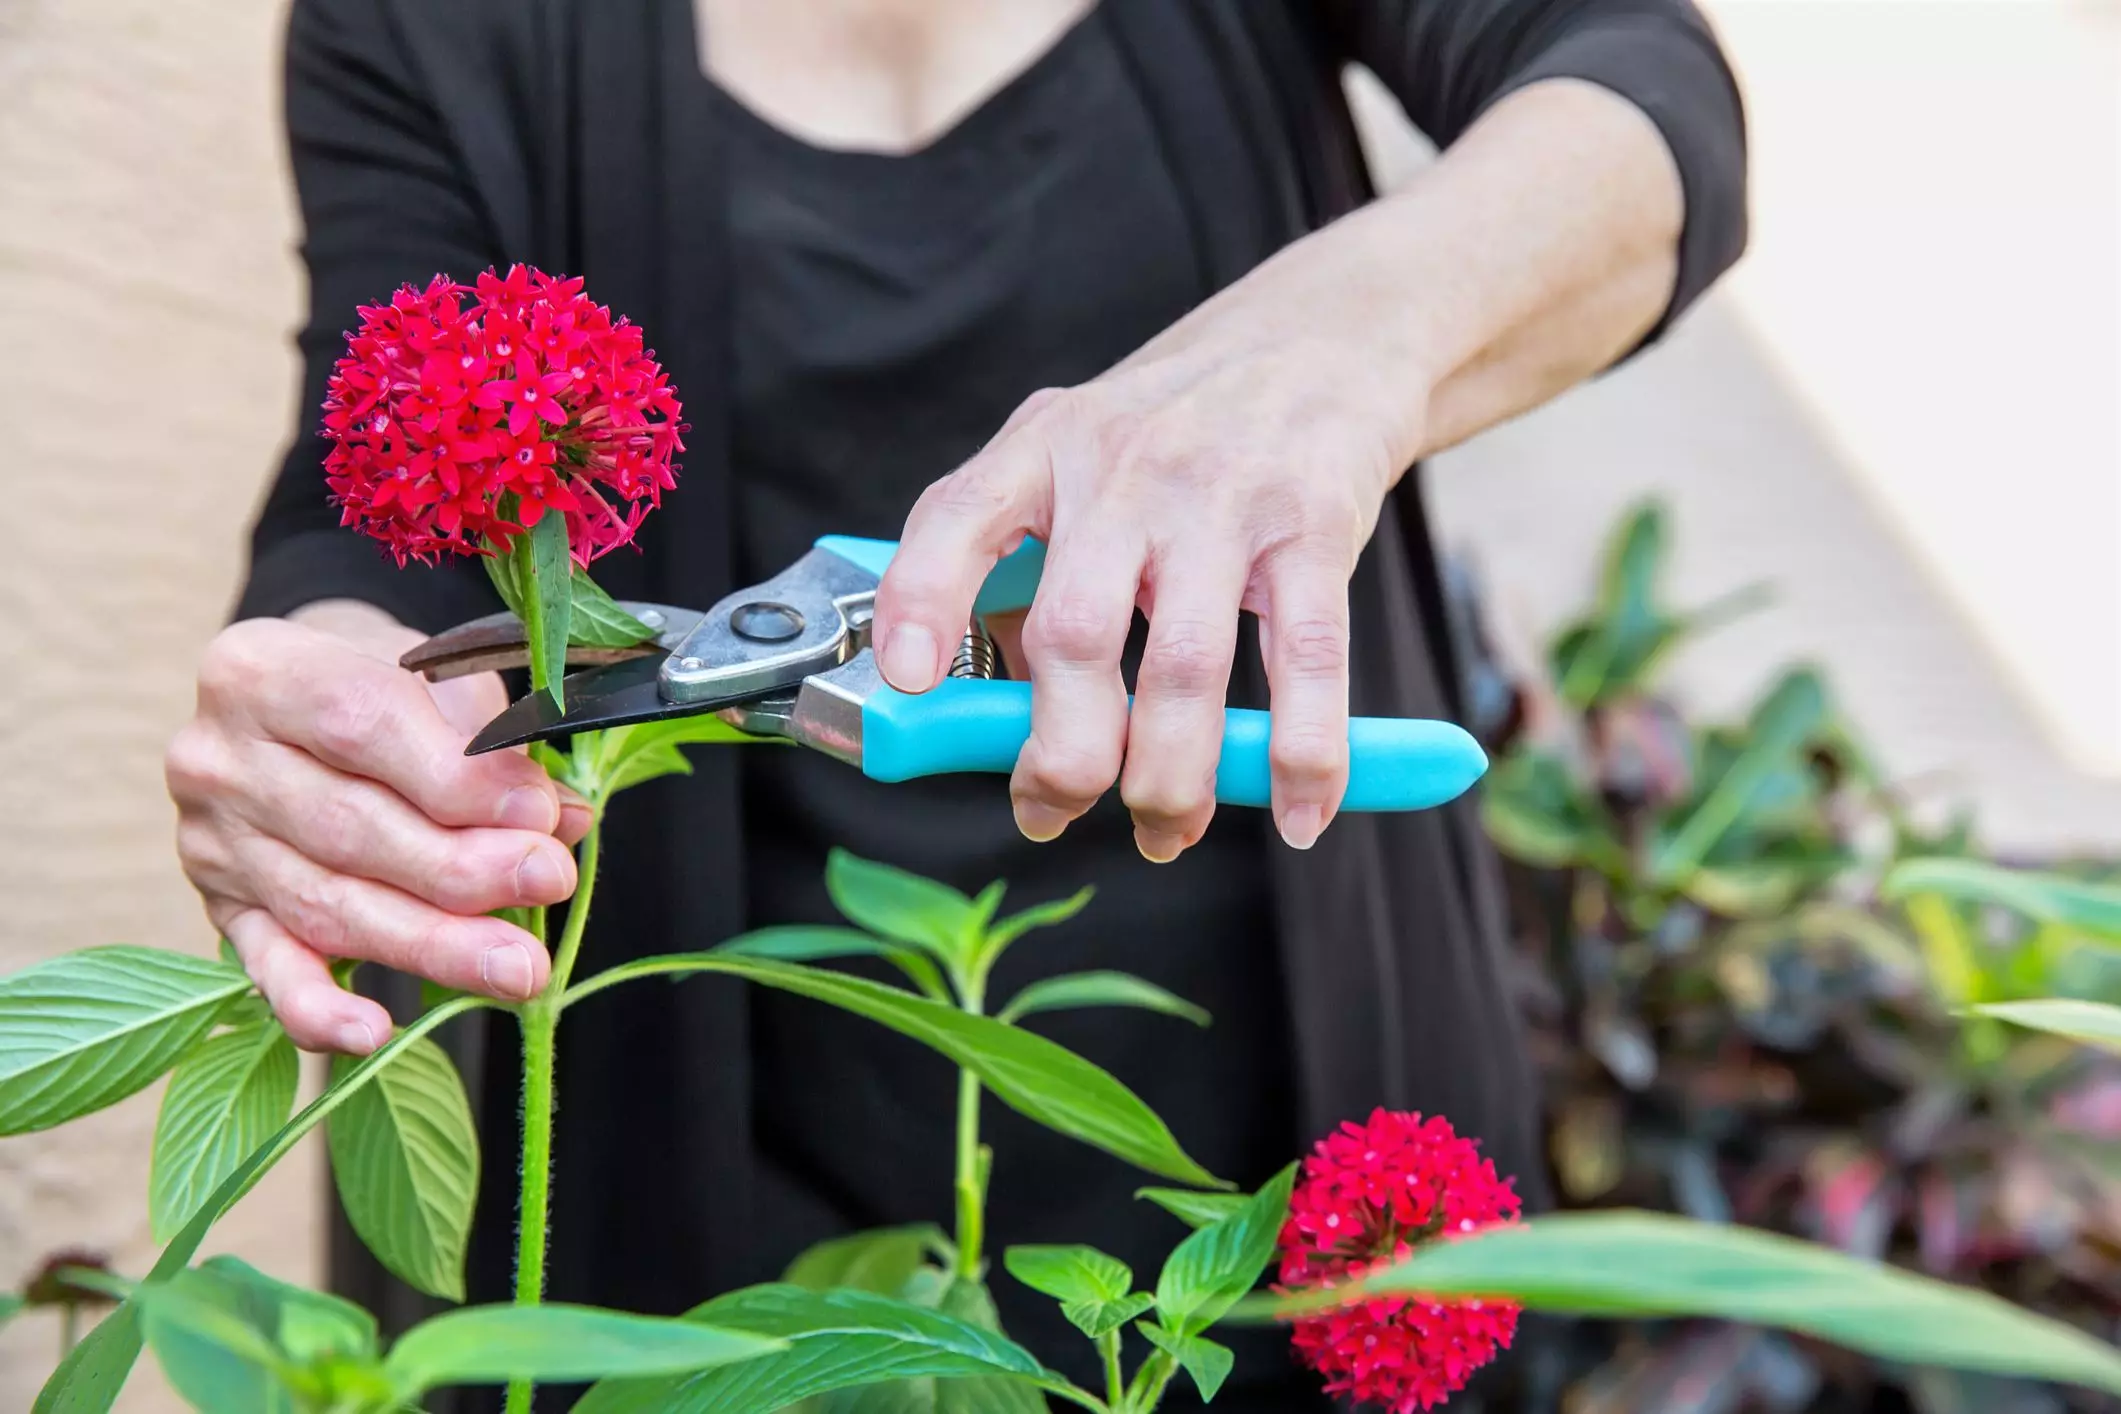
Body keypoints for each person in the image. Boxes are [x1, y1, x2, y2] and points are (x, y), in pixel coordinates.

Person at [165, 1, 1746, 1407]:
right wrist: (327, 695)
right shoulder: (409, 25)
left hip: (1269, 1194)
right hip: (696, 1255)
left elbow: (1641, 96)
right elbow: (355, 482)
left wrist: (1336, 345)